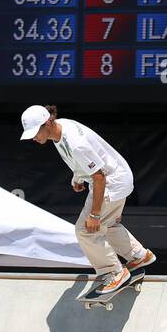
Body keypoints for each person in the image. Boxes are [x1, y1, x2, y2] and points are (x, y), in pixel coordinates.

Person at [20, 104, 154, 293]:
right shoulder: (61, 128)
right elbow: (86, 162)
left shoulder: (75, 143)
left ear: (48, 122)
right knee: (109, 226)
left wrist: (96, 214)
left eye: (35, 132)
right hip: (119, 176)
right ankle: (139, 255)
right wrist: (79, 176)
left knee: (86, 230)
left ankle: (115, 274)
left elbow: (99, 177)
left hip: (111, 182)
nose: (34, 137)